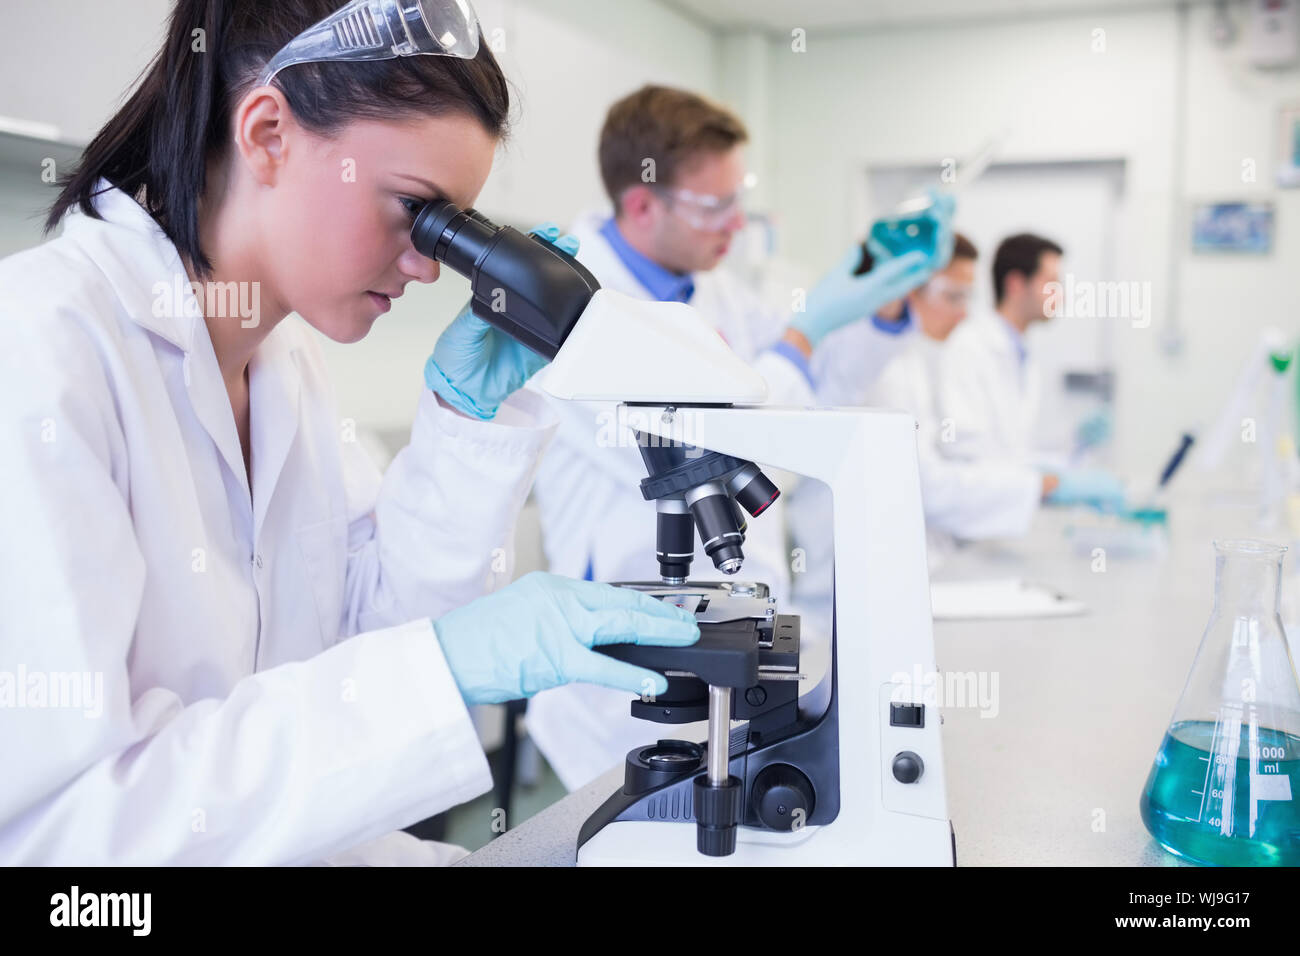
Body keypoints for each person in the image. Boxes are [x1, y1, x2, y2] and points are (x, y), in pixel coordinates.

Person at [0, 0, 701, 866]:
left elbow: (363, 640)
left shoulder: (284, 362)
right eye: (414, 209)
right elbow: (66, 835)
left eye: (453, 227)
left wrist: (463, 420)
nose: (429, 262)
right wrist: (444, 667)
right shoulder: (37, 356)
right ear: (266, 134)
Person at [524, 84, 951, 791]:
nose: (735, 225)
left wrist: (880, 297)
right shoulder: (572, 315)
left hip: (734, 627)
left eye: (738, 200)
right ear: (640, 202)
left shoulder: (716, 289)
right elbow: (698, 441)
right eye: (714, 206)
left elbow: (814, 391)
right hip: (621, 688)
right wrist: (801, 332)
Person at [936, 233, 1124, 509]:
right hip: (969, 525)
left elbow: (1017, 448)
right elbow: (968, 457)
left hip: (1000, 517)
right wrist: (1050, 485)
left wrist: (1076, 441)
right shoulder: (968, 348)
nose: (1060, 294)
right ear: (1016, 284)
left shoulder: (1021, 352)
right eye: (1051, 283)